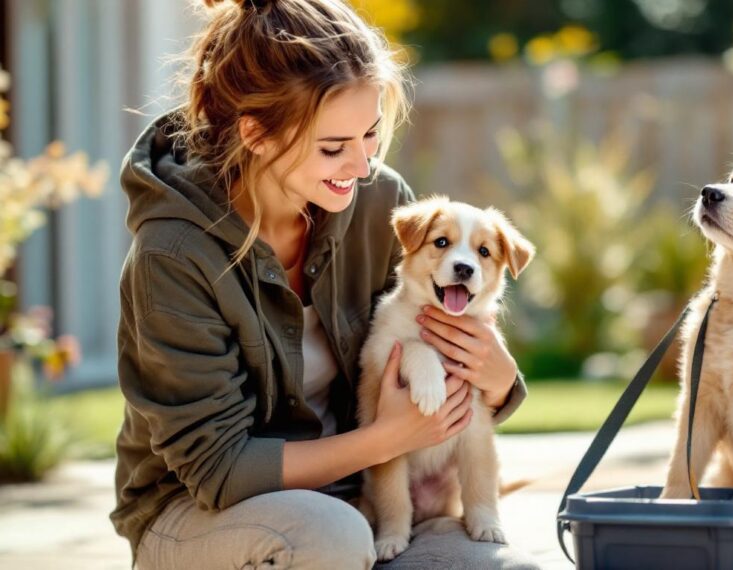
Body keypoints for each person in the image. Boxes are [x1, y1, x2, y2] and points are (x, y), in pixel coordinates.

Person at [110, 0, 537, 568]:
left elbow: (428, 355)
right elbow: (218, 471)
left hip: (363, 496)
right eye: (334, 148)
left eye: (370, 135)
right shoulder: (173, 253)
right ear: (257, 134)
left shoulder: (380, 200)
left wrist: (501, 381)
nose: (361, 166)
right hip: (199, 512)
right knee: (330, 539)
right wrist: (387, 439)